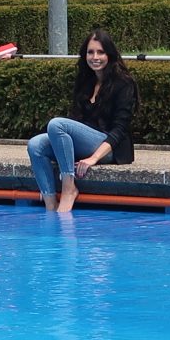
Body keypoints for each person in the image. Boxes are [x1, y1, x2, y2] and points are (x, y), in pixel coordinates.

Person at [26, 27, 137, 213]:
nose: (95, 57)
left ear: (110, 54)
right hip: (86, 144)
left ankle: (69, 187)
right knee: (35, 145)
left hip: (109, 149)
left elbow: (120, 129)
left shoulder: (124, 83)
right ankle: (50, 206)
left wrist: (93, 158)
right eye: (90, 52)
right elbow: (76, 120)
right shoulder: (86, 80)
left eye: (100, 52)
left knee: (56, 124)